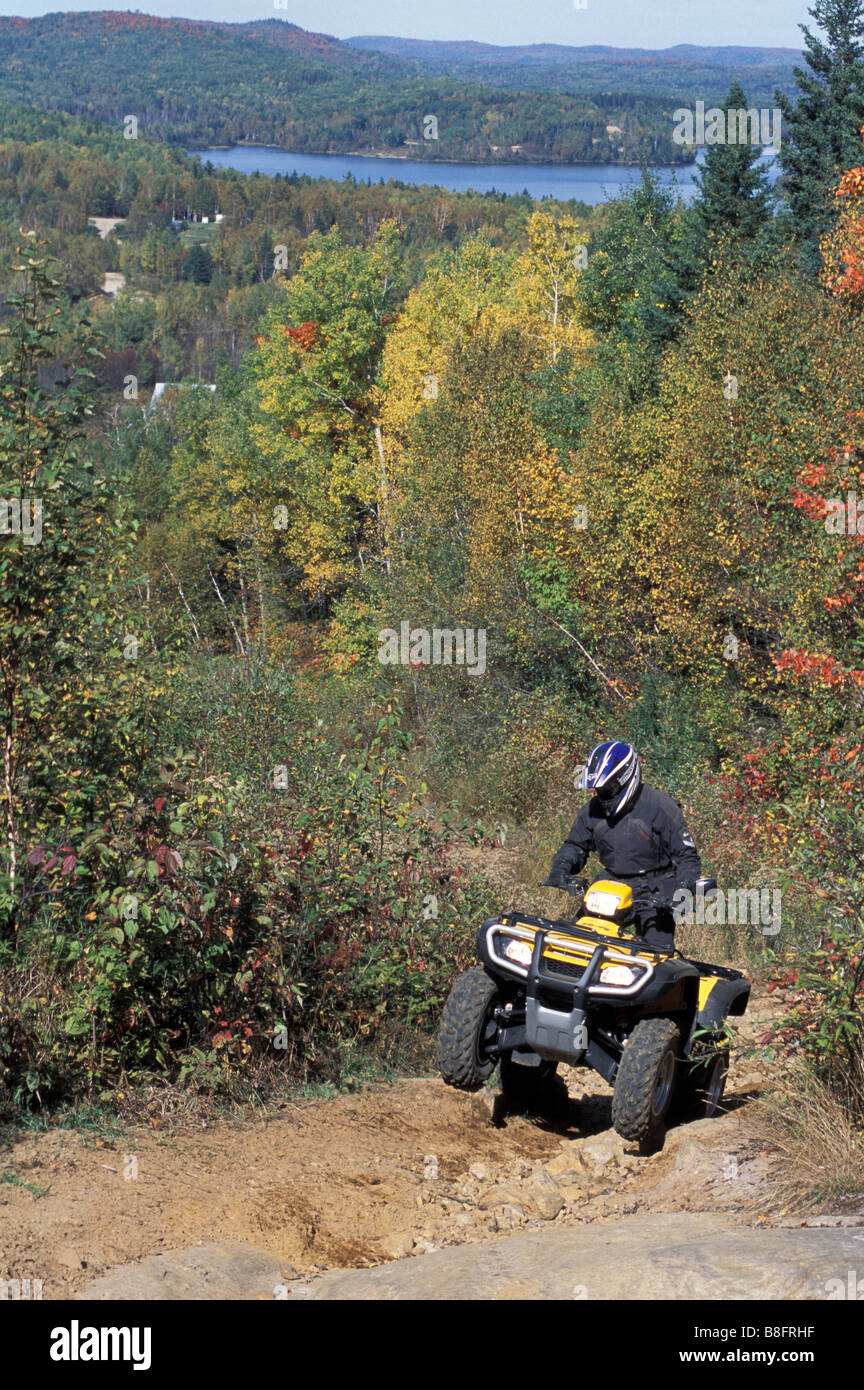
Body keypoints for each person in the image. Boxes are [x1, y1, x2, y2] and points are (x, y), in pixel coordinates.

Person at [544, 740, 701, 950]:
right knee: (577, 941)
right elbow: (576, 845)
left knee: (657, 954)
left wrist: (682, 888)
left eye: (609, 788)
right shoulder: (592, 810)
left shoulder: (660, 806)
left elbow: (686, 856)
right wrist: (560, 869)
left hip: (656, 888)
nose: (603, 794)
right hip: (610, 883)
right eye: (600, 789)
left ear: (626, 778)